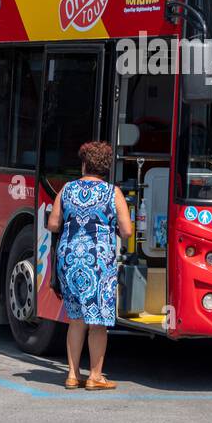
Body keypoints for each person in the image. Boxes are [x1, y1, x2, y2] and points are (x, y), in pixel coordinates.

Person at [46, 141, 132, 391]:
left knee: (75, 319)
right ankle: (95, 375)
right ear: (105, 167)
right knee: (98, 322)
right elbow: (126, 231)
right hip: (98, 262)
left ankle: (72, 375)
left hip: (70, 258)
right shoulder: (112, 192)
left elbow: (53, 224)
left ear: (84, 164)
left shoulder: (67, 189)